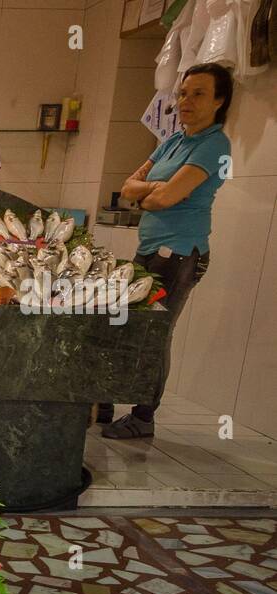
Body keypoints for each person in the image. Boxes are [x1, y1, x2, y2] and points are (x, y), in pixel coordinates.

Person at [98, 63, 232, 440]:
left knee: (156, 332)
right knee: (121, 322)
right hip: (150, 248)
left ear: (220, 101)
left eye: (199, 93)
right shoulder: (173, 141)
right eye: (184, 93)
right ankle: (105, 399)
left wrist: (155, 191)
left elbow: (164, 199)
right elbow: (128, 187)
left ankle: (143, 416)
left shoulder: (216, 145)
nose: (186, 101)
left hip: (180, 253)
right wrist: (156, 189)